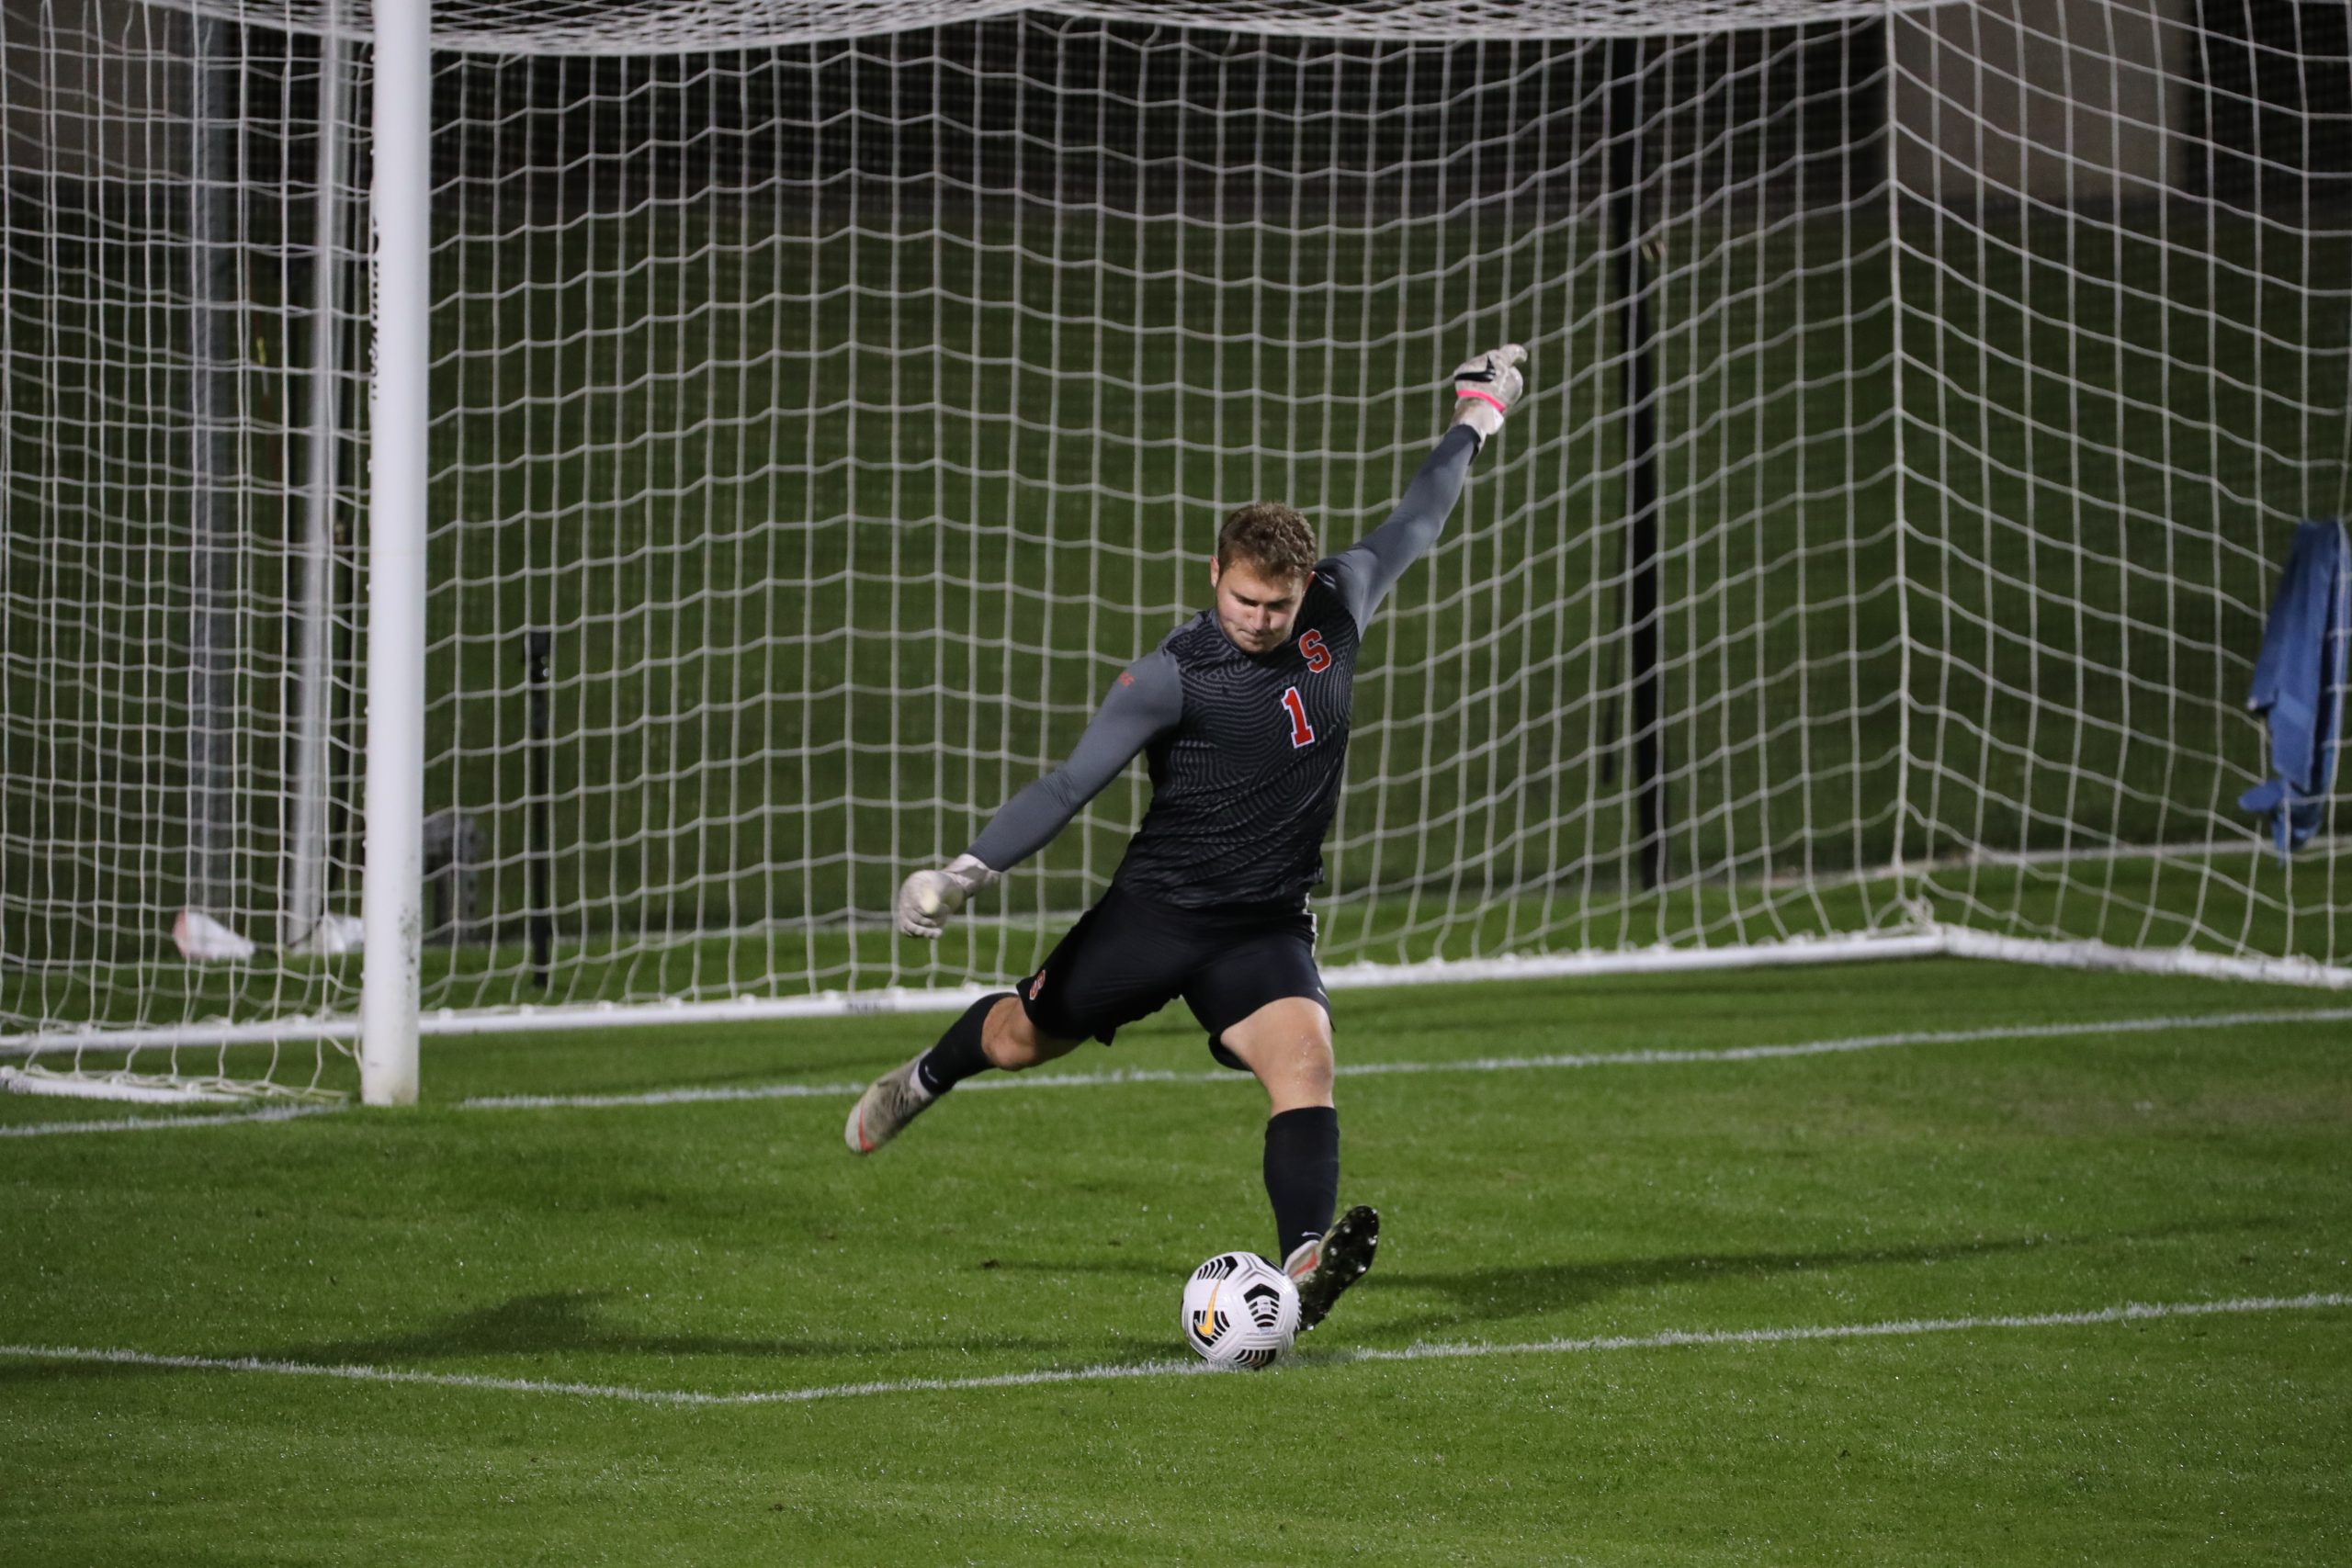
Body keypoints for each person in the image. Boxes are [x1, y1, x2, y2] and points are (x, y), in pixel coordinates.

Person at [846, 344, 1529, 1335]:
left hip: (1262, 922)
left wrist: (1476, 414)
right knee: (1015, 1039)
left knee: (1305, 1064)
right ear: (1214, 574)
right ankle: (920, 1079)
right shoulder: (1172, 672)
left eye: (1276, 606)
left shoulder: (1340, 603)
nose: (1258, 619)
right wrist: (961, 874)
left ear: (1305, 590)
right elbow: (1071, 782)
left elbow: (1419, 514)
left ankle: (1301, 1260)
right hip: (1156, 914)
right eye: (1243, 599)